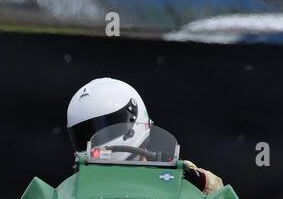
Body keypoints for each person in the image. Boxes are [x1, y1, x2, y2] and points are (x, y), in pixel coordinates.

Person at [65, 78, 223, 193]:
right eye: (83, 134)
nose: (94, 141)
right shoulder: (76, 185)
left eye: (104, 129)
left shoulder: (175, 171)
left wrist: (192, 178)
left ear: (133, 117)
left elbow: (218, 195)